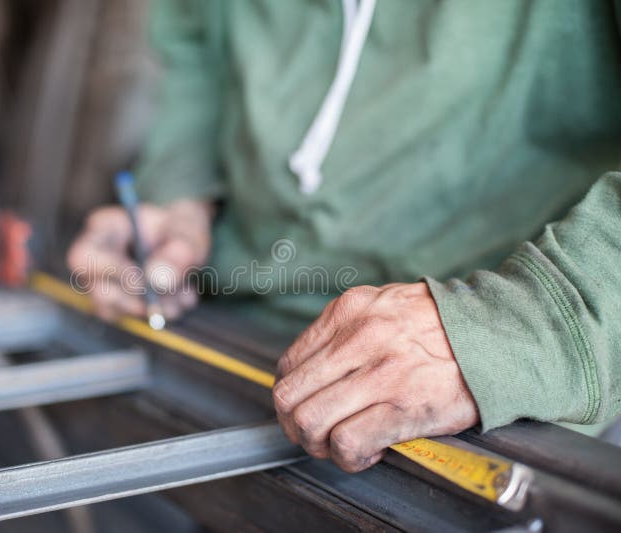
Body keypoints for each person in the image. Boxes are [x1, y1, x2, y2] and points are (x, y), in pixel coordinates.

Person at [68, 0, 621, 472]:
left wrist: (517, 324)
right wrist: (181, 196)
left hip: (494, 402)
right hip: (229, 323)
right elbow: (198, 42)